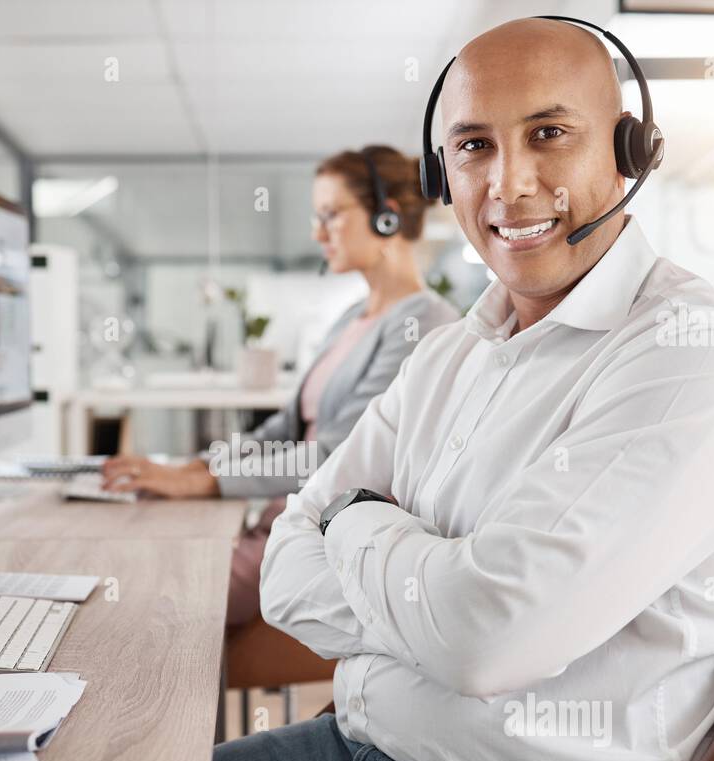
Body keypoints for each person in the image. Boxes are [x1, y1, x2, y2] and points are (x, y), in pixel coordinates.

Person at [199, 17, 714, 761]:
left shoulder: (687, 352)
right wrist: (432, 589)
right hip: (344, 751)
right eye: (473, 147)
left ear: (631, 150)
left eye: (549, 134)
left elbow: (485, 637)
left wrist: (353, 519)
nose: (508, 184)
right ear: (442, 178)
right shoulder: (447, 355)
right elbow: (285, 572)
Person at [102, 145, 457, 626]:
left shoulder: (424, 322)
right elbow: (283, 429)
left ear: (386, 217)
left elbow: (339, 456)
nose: (317, 233)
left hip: (323, 537)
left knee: (157, 604)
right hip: (283, 515)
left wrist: (207, 482)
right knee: (134, 562)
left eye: (330, 216)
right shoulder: (352, 317)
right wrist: (199, 465)